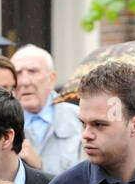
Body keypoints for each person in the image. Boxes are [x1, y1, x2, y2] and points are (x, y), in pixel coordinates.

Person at [11, 44, 83, 176]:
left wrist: (40, 168)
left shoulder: (81, 120)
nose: (25, 81)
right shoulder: (2, 124)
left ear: (52, 79)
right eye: (17, 73)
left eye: (33, 71)